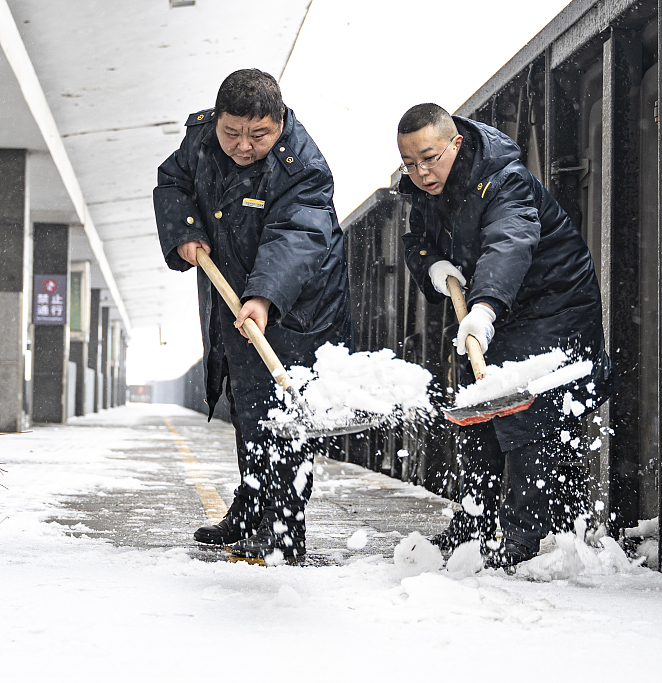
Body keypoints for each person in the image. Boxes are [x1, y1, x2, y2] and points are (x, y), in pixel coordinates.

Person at [397, 103, 615, 567]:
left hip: (552, 304)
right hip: (496, 306)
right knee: (477, 413)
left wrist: (485, 307)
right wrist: (432, 266)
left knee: (526, 418)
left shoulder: (504, 178)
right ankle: (473, 523)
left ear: (455, 143)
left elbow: (508, 243)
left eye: (430, 158)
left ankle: (519, 539)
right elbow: (417, 238)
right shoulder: (423, 188)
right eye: (410, 163)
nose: (421, 172)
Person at [154, 69, 352, 561]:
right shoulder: (200, 137)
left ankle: (284, 525)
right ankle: (250, 505)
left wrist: (263, 295)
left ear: (280, 122)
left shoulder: (303, 166)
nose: (243, 146)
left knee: (280, 412)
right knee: (248, 406)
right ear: (218, 121)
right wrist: (185, 228)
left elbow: (297, 235)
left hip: (298, 304)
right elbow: (172, 181)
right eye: (232, 133)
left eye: (258, 135)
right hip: (234, 292)